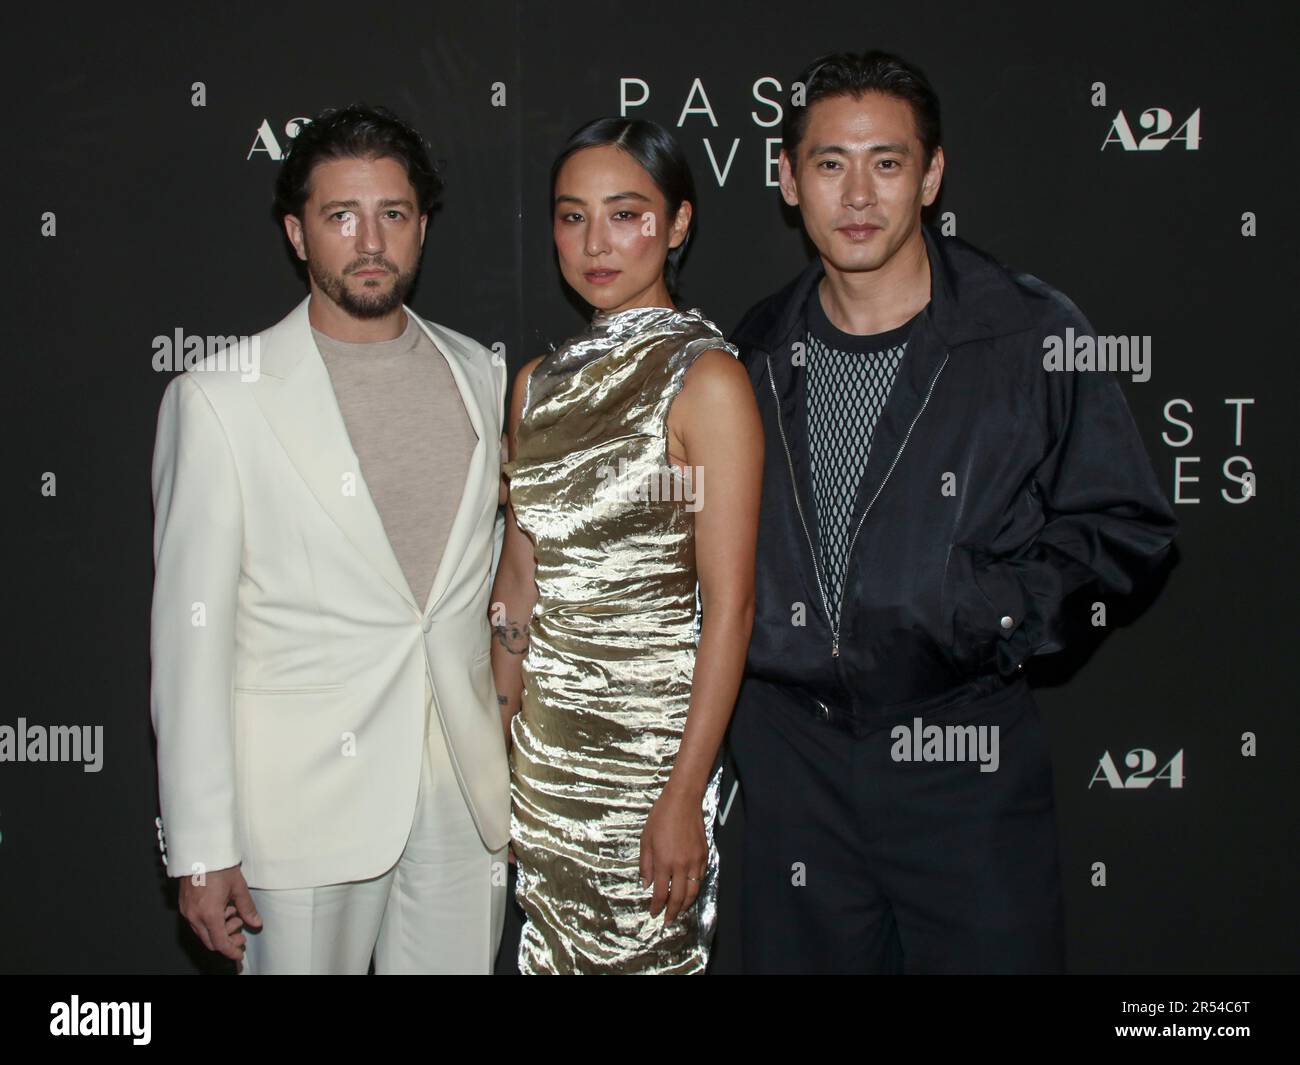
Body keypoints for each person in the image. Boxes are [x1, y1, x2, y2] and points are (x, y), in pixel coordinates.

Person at [726, 51, 1179, 973]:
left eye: (887, 162)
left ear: (931, 176)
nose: (859, 194)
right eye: (830, 163)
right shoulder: (754, 348)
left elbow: (1125, 523)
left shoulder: (1029, 332)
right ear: (788, 179)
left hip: (959, 757)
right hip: (790, 765)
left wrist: (984, 610)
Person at [149, 104, 510, 974]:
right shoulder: (220, 397)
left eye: (393, 213)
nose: (370, 241)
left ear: (422, 226)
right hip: (300, 808)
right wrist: (201, 843)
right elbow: (190, 639)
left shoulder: (480, 371)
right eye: (341, 216)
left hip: (461, 797)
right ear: (296, 232)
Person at [489, 118, 763, 974]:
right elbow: (519, 580)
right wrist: (496, 742)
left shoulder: (706, 381)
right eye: (572, 217)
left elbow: (731, 609)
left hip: (647, 767)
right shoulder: (534, 385)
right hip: (541, 759)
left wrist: (684, 792)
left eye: (626, 214)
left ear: (677, 224)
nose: (595, 243)